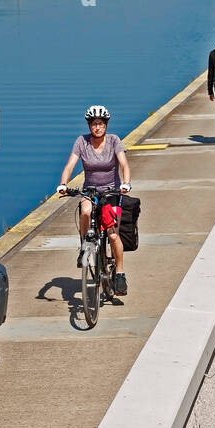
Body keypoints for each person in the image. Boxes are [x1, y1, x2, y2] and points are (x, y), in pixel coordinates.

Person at [56, 104, 132, 295]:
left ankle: (120, 273)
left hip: (111, 192)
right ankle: (84, 246)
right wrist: (63, 184)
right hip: (90, 191)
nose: (97, 127)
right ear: (89, 125)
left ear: (106, 125)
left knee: (113, 235)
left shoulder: (114, 140)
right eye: (93, 124)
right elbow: (70, 165)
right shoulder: (82, 142)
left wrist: (126, 183)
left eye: (100, 124)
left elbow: (124, 164)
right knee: (85, 211)